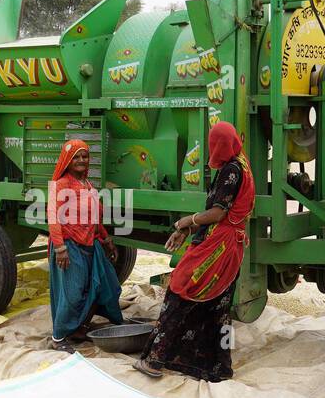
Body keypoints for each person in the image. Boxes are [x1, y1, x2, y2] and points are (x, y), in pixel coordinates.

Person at [135, 122, 255, 381]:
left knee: (180, 291)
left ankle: (156, 360)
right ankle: (220, 367)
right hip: (232, 247)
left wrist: (186, 222)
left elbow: (218, 213)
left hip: (218, 246)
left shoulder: (230, 171)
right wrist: (189, 231)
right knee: (220, 309)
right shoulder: (242, 164)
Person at [47, 138, 123, 350]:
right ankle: (59, 337)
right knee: (72, 294)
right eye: (76, 157)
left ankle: (79, 328)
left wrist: (106, 239)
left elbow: (95, 218)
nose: (81, 160)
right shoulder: (61, 185)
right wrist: (60, 249)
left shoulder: (87, 185)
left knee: (103, 287)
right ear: (67, 161)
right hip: (69, 247)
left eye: (85, 156)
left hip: (91, 245)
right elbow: (53, 218)